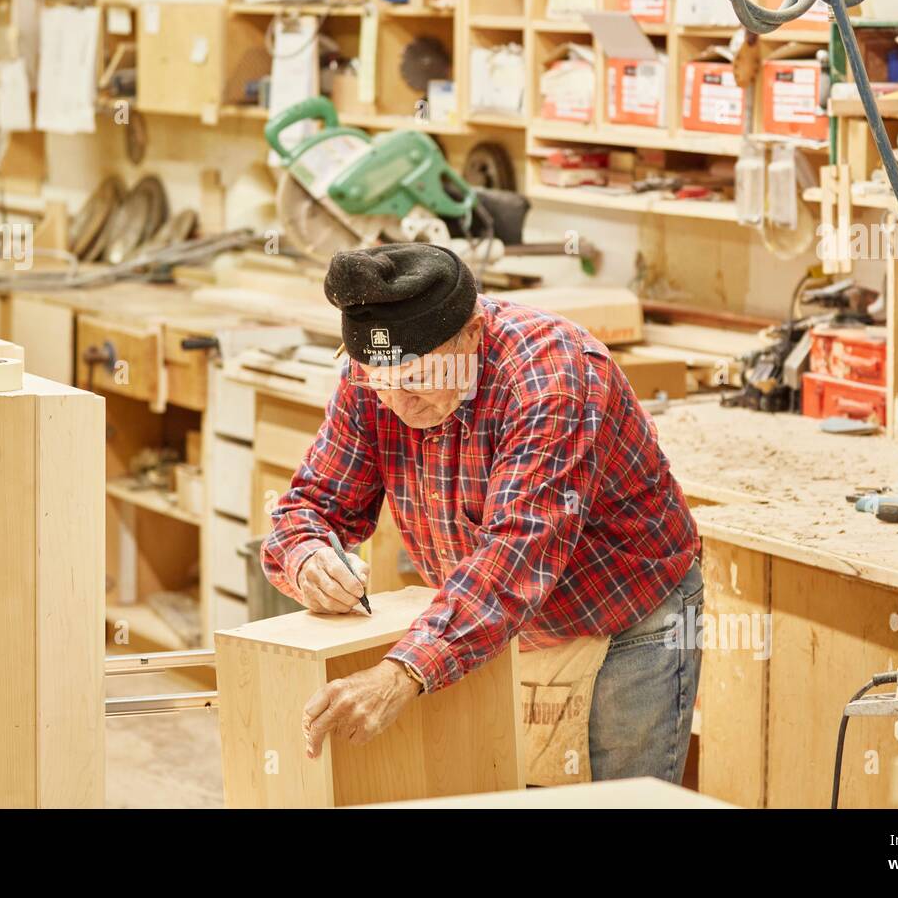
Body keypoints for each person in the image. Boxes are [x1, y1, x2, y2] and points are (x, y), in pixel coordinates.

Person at [261, 242, 703, 783]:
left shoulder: (550, 379)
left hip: (623, 618)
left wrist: (403, 672)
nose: (397, 401)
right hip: (493, 627)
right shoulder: (377, 375)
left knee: (623, 803)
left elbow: (515, 555)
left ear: (471, 334)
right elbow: (308, 508)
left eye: (418, 379)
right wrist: (307, 556)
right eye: (380, 381)